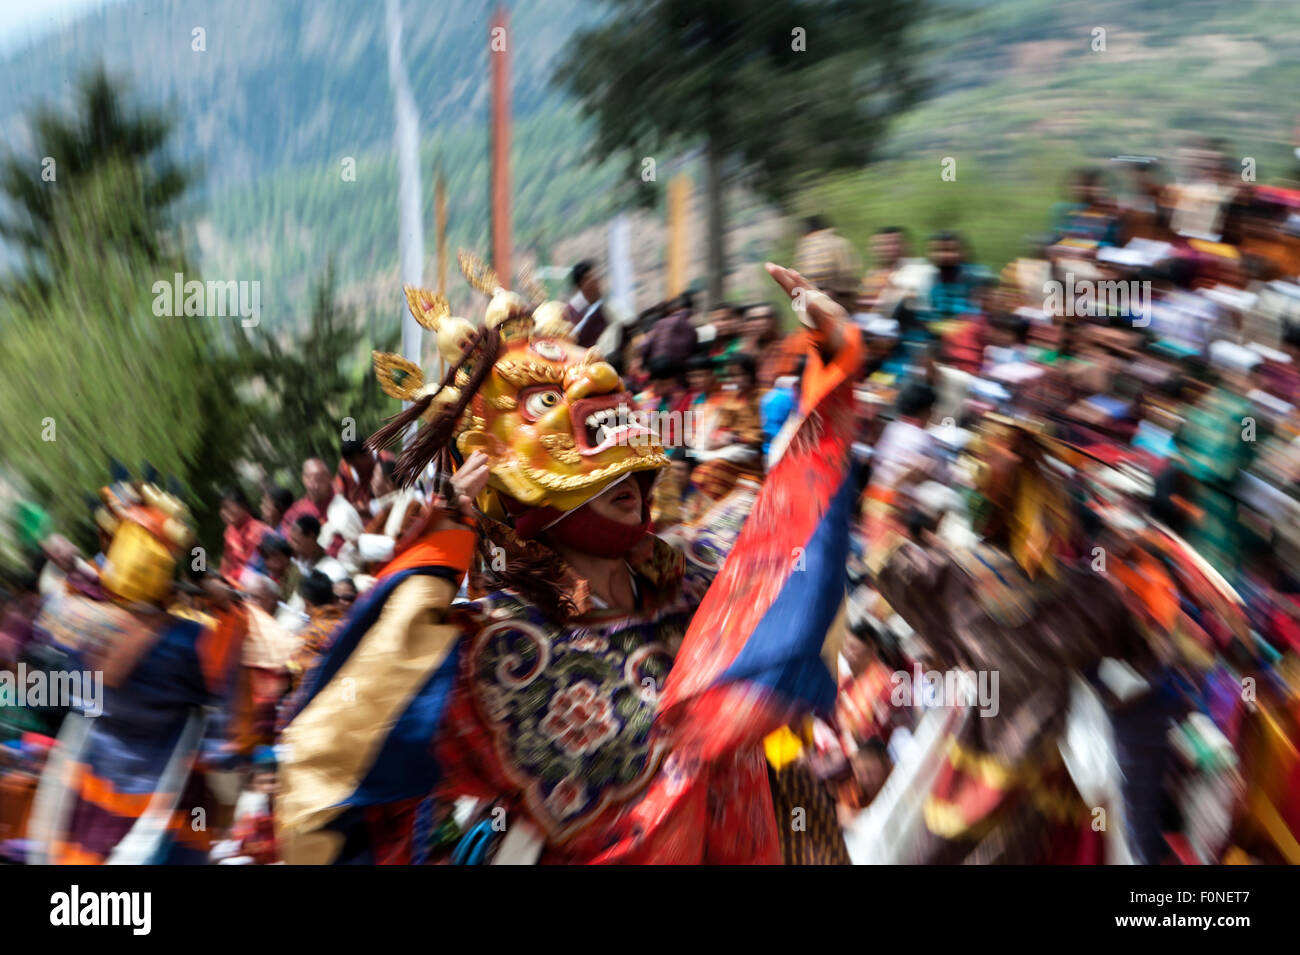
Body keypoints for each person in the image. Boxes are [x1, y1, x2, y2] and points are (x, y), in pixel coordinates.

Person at [277, 255, 862, 864]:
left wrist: (833, 366)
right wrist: (444, 540)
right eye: (543, 401)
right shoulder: (490, 650)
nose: (594, 394)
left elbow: (796, 522)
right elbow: (344, 751)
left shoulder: (697, 579)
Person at [30, 476, 249, 864]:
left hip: (91, 779)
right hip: (164, 794)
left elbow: (53, 606)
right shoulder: (187, 643)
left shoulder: (80, 621)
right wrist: (220, 596)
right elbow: (231, 658)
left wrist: (78, 569)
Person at [219, 486, 270, 582]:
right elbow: (226, 563)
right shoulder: (229, 531)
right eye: (222, 509)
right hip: (235, 582)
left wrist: (231, 577)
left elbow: (258, 566)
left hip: (258, 582)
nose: (224, 513)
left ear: (243, 506)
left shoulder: (259, 530)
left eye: (227, 507)